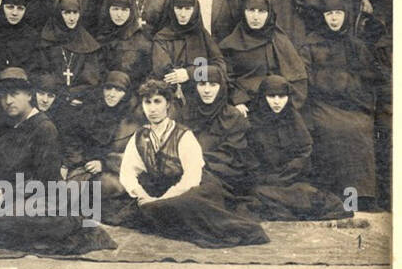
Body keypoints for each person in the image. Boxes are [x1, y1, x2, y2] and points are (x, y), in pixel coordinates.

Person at [0, 67, 116, 255]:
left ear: (29, 95)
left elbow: (45, 182)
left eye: (14, 94)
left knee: (6, 220)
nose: (8, 101)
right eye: (4, 95)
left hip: (39, 198)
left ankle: (69, 223)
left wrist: (7, 193)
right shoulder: (3, 123)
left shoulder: (44, 129)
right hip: (4, 197)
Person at [107, 79, 269, 247]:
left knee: (183, 205)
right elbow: (127, 172)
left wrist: (160, 200)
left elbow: (191, 178)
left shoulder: (183, 135)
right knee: (133, 206)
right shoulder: (139, 136)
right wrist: (142, 196)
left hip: (196, 188)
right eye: (147, 102)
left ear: (168, 104)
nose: (152, 109)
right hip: (160, 186)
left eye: (157, 102)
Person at [301, 0, 382, 208]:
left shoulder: (355, 45)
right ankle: (334, 196)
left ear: (345, 16)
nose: (334, 19)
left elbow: (370, 78)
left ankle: (359, 197)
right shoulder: (311, 43)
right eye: (329, 14)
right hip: (322, 103)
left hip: (352, 103)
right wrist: (332, 83)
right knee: (331, 128)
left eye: (338, 14)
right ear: (323, 17)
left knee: (360, 127)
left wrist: (349, 89)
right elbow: (306, 77)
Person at [244, 75, 351, 221]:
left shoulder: (293, 118)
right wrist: (269, 177)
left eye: (282, 96)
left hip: (291, 180)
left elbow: (304, 151)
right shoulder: (252, 122)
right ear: (263, 97)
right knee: (257, 195)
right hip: (265, 182)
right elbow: (249, 159)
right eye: (271, 96)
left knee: (313, 196)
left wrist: (287, 174)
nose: (277, 101)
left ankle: (286, 209)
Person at [219, 0, 309, 115]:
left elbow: (297, 77)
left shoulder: (279, 40)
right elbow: (226, 78)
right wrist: (238, 100)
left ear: (269, 14)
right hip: (246, 105)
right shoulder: (229, 45)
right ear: (243, 12)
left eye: (261, 11)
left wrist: (284, 103)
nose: (255, 17)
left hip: (277, 103)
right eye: (251, 10)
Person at [180, 60, 257, 200]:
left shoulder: (234, 116)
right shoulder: (185, 114)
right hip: (188, 170)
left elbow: (231, 154)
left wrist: (198, 164)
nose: (207, 90)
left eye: (213, 84)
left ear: (221, 87)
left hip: (223, 174)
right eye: (202, 84)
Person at [151, 0, 224, 105]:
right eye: (178, 8)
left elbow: (219, 66)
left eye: (188, 9)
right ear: (172, 9)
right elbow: (164, 72)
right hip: (173, 96)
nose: (183, 14)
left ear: (194, 10)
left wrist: (190, 73)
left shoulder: (202, 35)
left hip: (203, 95)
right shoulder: (162, 38)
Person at [37, 0, 103, 107]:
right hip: (51, 101)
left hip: (78, 102)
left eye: (75, 13)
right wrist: (62, 95)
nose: (72, 18)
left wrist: (72, 94)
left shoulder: (88, 43)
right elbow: (42, 73)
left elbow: (91, 79)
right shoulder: (46, 41)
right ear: (58, 14)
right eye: (66, 13)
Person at [94, 0, 152, 84]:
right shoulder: (102, 36)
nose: (119, 15)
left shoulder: (142, 39)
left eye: (124, 10)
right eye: (115, 9)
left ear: (131, 12)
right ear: (108, 10)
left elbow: (146, 73)